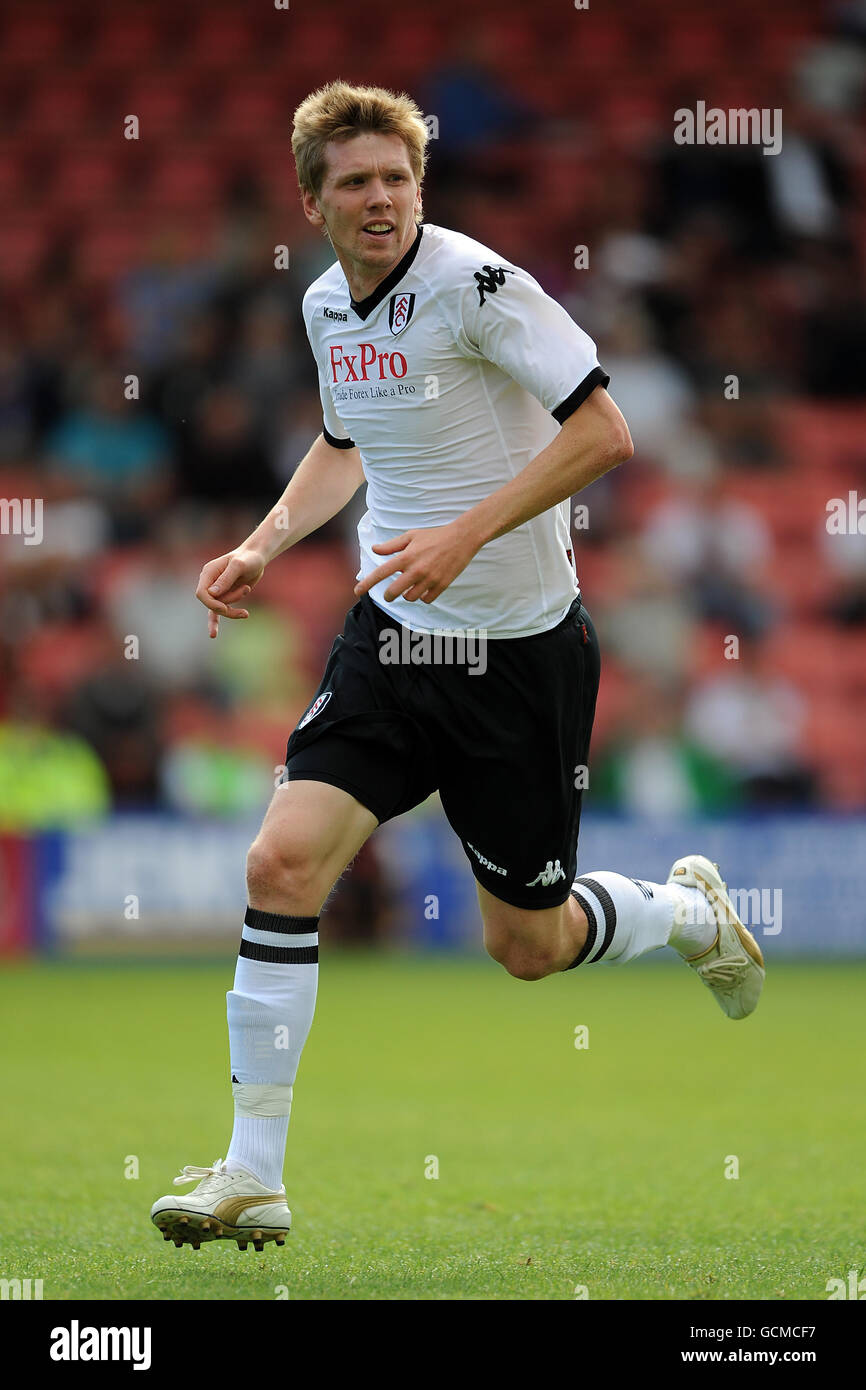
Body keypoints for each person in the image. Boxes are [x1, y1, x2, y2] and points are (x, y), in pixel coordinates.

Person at [151, 82, 765, 1253]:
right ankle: (252, 1173)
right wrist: (261, 543)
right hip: (390, 636)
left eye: (395, 178)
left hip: (519, 650)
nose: (378, 199)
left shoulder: (481, 287)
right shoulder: (327, 306)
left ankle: (687, 914)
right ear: (313, 202)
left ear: (418, 187)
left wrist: (462, 534)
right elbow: (343, 444)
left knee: (523, 946)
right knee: (281, 862)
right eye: (354, 183)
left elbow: (604, 433)